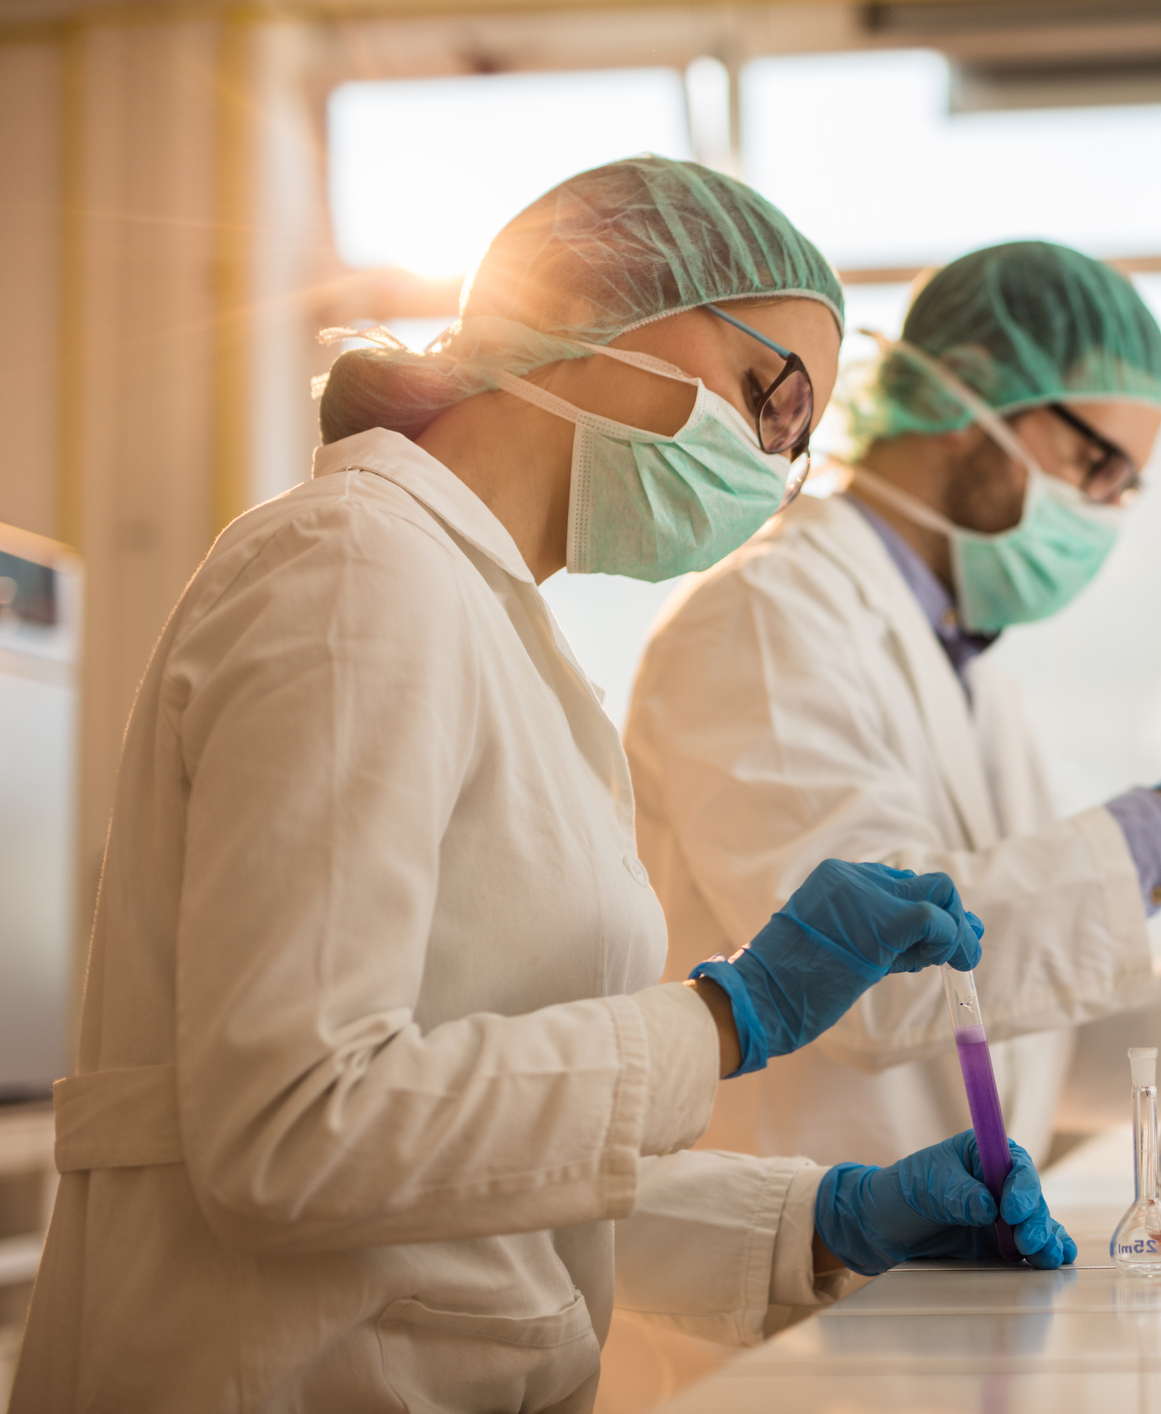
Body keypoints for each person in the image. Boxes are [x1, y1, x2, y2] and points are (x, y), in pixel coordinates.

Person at [12, 159, 1073, 1414]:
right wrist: (727, 1019)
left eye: (796, 446)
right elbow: (297, 1132)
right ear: (591, 306)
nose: (773, 464)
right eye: (770, 397)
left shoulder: (493, 621)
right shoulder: (355, 568)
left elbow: (481, 1154)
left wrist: (823, 1220)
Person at [623, 240, 1161, 1170]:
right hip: (797, 1269)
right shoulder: (763, 617)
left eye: (1127, 487)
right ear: (965, 397)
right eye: (1096, 465)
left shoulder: (964, 665)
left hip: (928, 1269)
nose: (1105, 511)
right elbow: (869, 985)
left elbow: (1025, 1048)